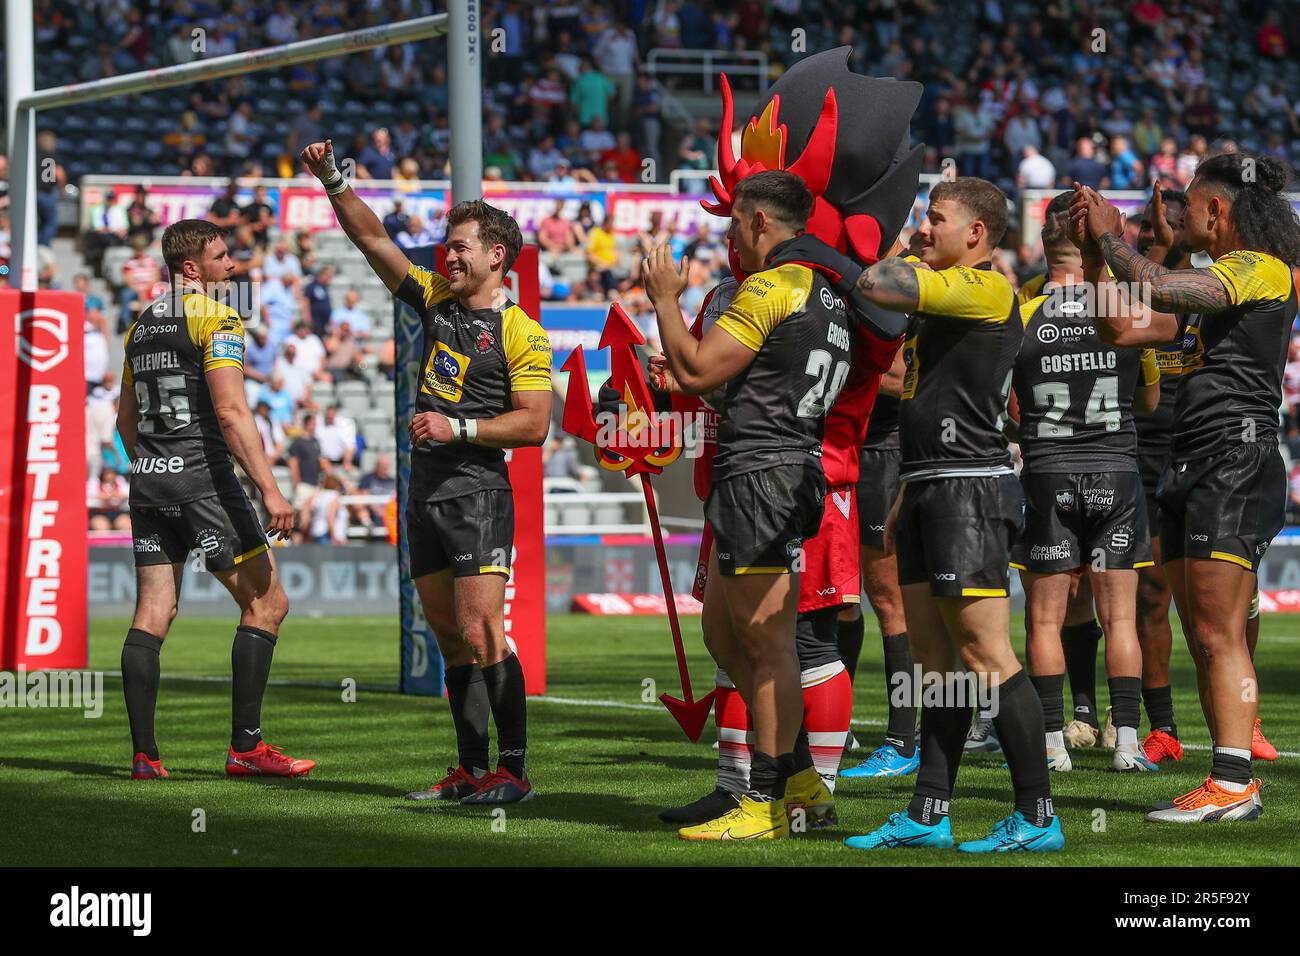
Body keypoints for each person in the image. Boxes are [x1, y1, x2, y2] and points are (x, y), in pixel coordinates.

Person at [302, 138, 553, 805]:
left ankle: (515, 773)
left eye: (460, 245)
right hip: (425, 491)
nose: (448, 253)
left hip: (477, 492)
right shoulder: (437, 300)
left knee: (482, 630)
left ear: (497, 255)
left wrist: (459, 427)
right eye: (448, 244)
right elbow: (375, 242)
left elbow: (535, 424)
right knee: (449, 637)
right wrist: (333, 181)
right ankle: (471, 771)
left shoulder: (520, 331)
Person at [1071, 151, 1300, 822]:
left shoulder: (1257, 268)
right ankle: (1226, 779)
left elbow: (1167, 291)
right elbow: (1121, 326)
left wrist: (1116, 240)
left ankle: (1234, 785)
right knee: (1202, 630)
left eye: (1191, 202)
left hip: (1236, 457)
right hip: (1193, 460)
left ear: (1216, 210)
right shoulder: (1211, 283)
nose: (1181, 214)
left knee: (1217, 628)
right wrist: (1094, 257)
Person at [845, 178, 1064, 853]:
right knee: (936, 662)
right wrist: (908, 488)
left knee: (986, 654)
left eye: (936, 219)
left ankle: (1037, 816)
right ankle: (928, 811)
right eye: (923, 219)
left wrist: (902, 248)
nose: (924, 229)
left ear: (977, 234)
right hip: (926, 485)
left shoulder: (987, 287)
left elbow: (874, 284)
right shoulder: (946, 294)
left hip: (969, 489)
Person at [643, 171, 855, 840]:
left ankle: (762, 802)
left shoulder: (773, 285)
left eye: (736, 221)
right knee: (727, 634)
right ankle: (799, 783)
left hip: (762, 474)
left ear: (763, 221)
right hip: (783, 470)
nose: (730, 233)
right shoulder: (826, 293)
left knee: (769, 647)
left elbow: (701, 369)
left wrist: (664, 300)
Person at [115, 218, 308, 780]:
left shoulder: (141, 326)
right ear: (192, 268)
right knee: (268, 605)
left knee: (153, 613)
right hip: (204, 485)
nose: (233, 266)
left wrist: (154, 467)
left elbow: (125, 422)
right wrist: (270, 488)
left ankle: (145, 757)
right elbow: (229, 412)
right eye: (222, 257)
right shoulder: (218, 319)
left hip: (149, 484)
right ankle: (245, 749)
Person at [1008, 190, 1162, 773]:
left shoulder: (1020, 311)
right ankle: (1126, 744)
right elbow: (1149, 399)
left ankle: (1051, 744)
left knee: (1044, 617)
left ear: (1044, 249)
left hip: (1048, 472)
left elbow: (1007, 402)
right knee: (1120, 616)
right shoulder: (1122, 305)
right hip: (1116, 471)